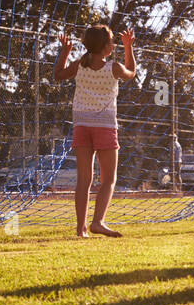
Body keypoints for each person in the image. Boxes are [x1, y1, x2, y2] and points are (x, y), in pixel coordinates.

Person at [53, 23, 137, 237]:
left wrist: (64, 52)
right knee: (109, 178)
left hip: (81, 125)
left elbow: (58, 74)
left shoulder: (79, 66)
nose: (113, 45)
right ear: (104, 46)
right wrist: (129, 48)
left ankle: (81, 228)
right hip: (105, 126)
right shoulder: (114, 67)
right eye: (112, 42)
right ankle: (97, 222)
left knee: (84, 179)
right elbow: (132, 73)